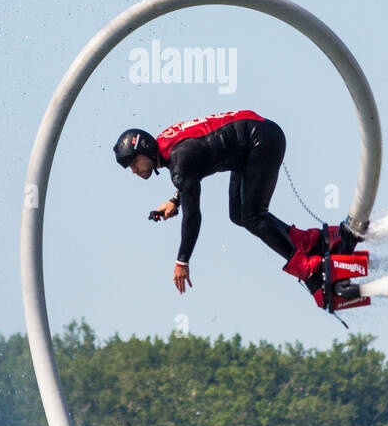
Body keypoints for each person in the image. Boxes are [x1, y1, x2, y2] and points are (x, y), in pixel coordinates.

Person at [113, 110, 360, 306]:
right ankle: (313, 240)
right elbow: (189, 174)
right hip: (254, 142)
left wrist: (182, 261)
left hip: (261, 140)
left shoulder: (179, 159)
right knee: (239, 215)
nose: (134, 170)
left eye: (134, 163)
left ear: (146, 150)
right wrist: (175, 200)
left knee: (253, 216)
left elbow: (193, 217)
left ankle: (307, 268)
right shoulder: (168, 148)